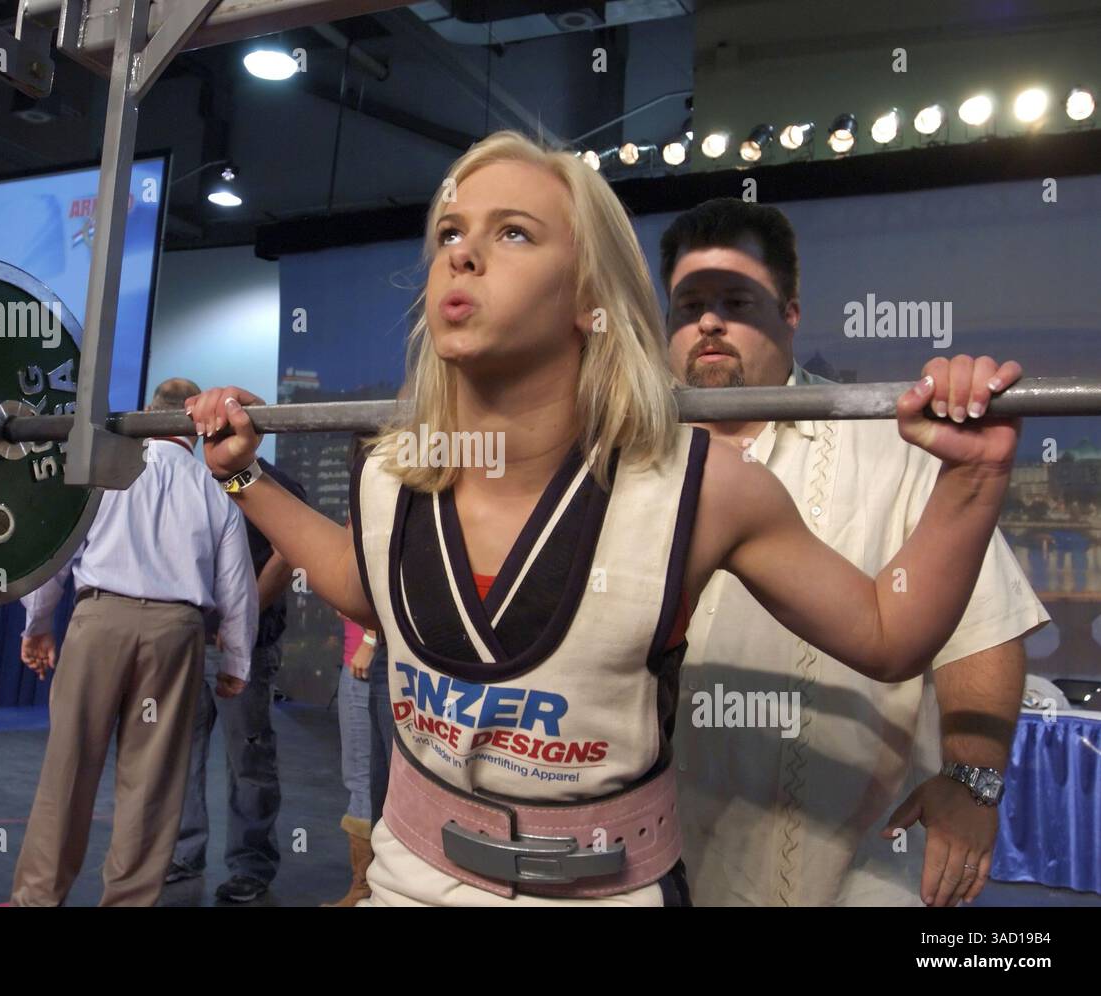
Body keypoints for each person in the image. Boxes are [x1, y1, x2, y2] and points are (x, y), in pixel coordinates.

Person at [186, 130, 1026, 907]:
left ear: (590, 298)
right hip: (408, 874)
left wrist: (972, 479)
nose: (463, 254)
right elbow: (363, 583)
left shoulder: (705, 487)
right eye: (449, 234)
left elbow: (886, 632)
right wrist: (243, 477)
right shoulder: (393, 470)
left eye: (514, 233)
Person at [659, 198, 1049, 908]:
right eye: (689, 306)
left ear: (791, 314)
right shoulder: (629, 462)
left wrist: (973, 782)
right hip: (659, 871)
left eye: (736, 302)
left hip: (850, 872)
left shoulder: (894, 449)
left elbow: (982, 625)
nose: (709, 323)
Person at [10, 378, 259, 907]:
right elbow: (238, 584)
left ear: (149, 412)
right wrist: (236, 661)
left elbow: (54, 556)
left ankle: (36, 900)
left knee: (67, 768)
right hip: (176, 634)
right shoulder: (213, 487)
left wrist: (37, 627)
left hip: (99, 622)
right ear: (194, 427)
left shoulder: (105, 470)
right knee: (152, 782)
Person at [168, 456, 304, 905]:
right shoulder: (193, 480)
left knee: (249, 757)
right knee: (182, 753)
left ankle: (251, 866)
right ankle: (184, 853)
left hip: (248, 646)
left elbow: (289, 553)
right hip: (189, 639)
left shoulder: (275, 485)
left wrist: (240, 620)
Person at [324, 608, 376, 906]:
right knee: (366, 778)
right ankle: (368, 887)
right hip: (364, 658)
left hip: (365, 663)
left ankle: (363, 889)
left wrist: (370, 640)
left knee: (362, 777)